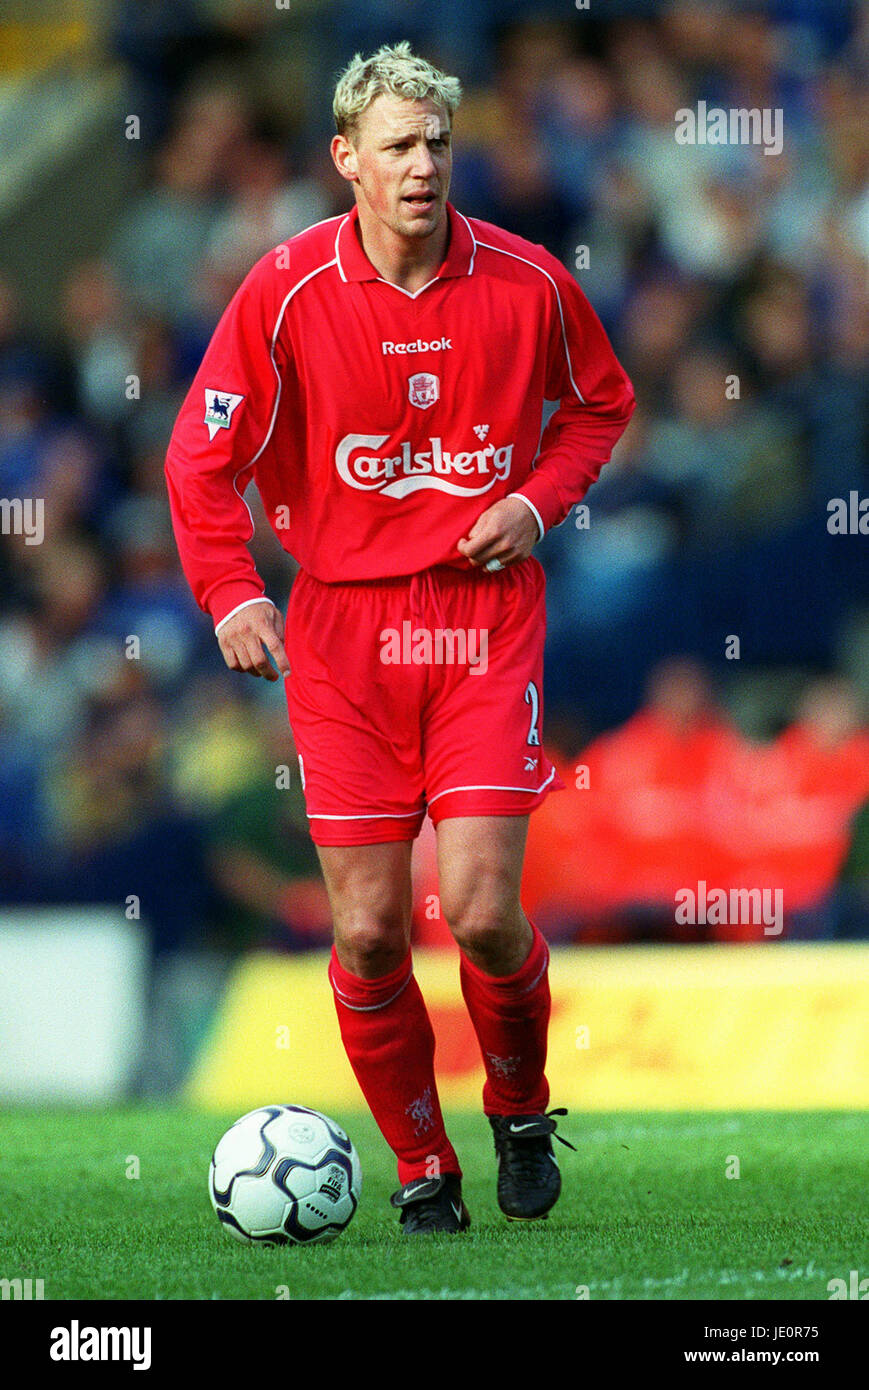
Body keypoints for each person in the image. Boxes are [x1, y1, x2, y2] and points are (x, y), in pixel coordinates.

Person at [165, 42, 635, 1233]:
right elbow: (197, 459)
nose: (422, 165)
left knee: (478, 909)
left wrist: (533, 502)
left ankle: (518, 1107)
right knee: (370, 929)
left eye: (436, 143)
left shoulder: (527, 283)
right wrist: (231, 593)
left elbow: (599, 403)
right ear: (346, 161)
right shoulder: (281, 291)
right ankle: (421, 1164)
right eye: (396, 146)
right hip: (341, 636)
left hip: (481, 625)